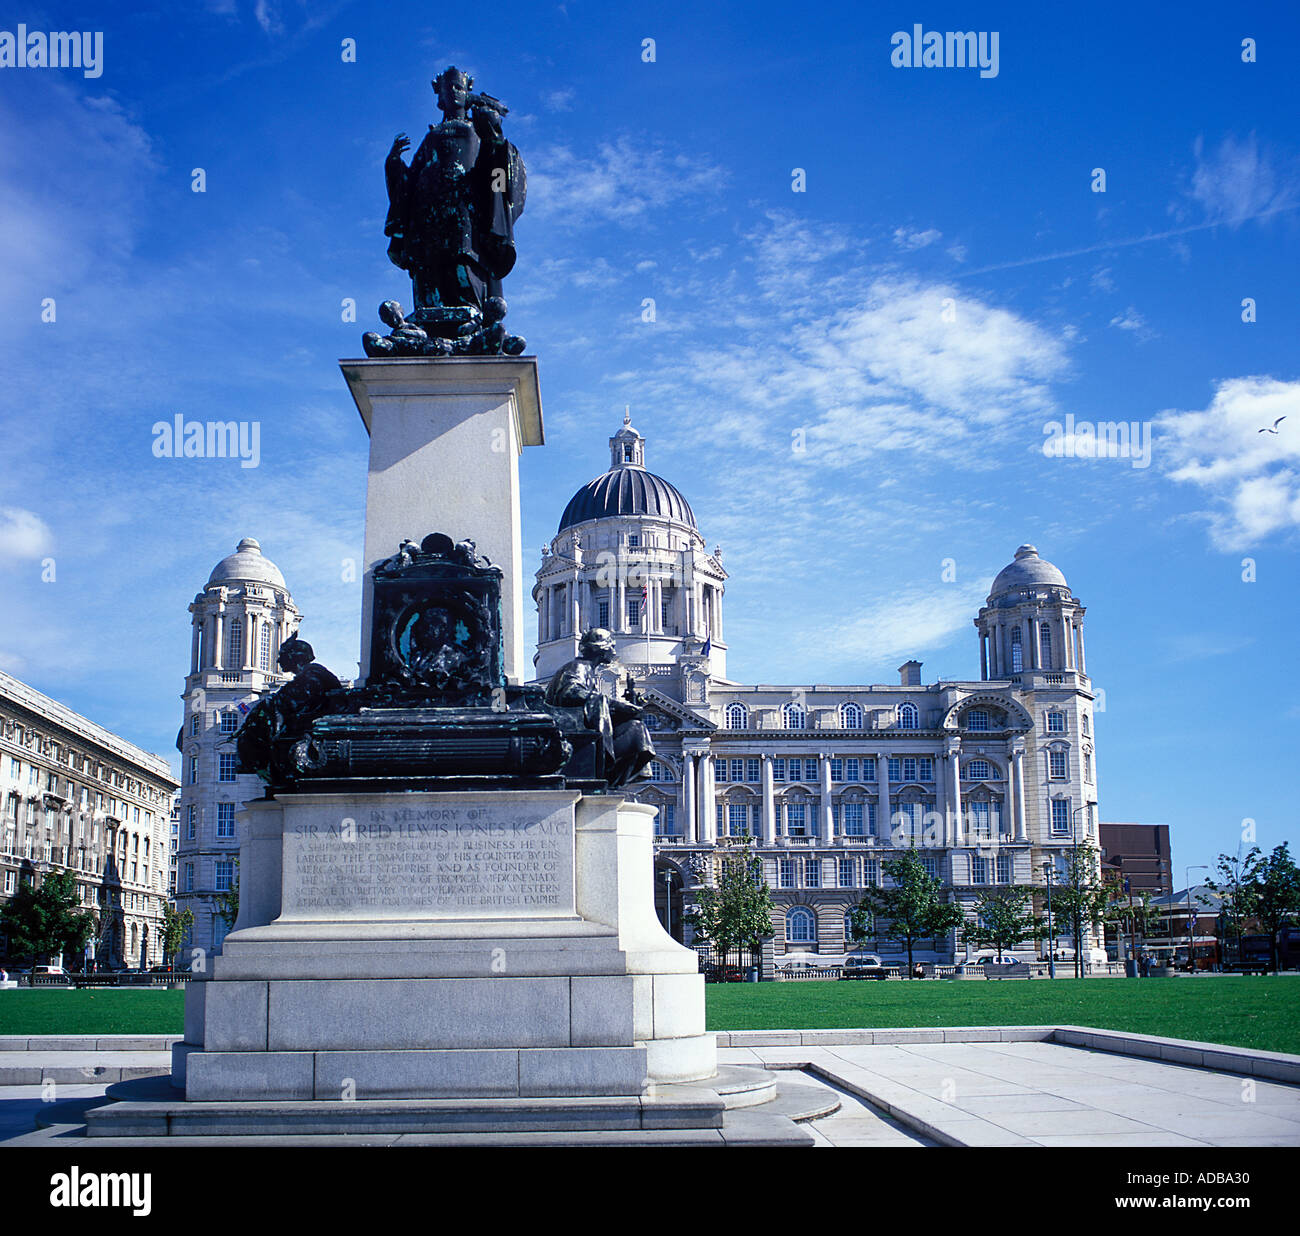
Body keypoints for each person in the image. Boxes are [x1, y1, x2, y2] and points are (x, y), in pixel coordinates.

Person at [544, 628, 655, 788]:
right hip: (570, 731)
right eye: (612, 646)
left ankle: (611, 778)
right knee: (635, 730)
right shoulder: (578, 667)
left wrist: (624, 710)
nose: (614, 651)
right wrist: (616, 705)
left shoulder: (588, 670)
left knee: (634, 726)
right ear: (601, 649)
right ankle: (609, 775)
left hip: (579, 728)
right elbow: (569, 693)